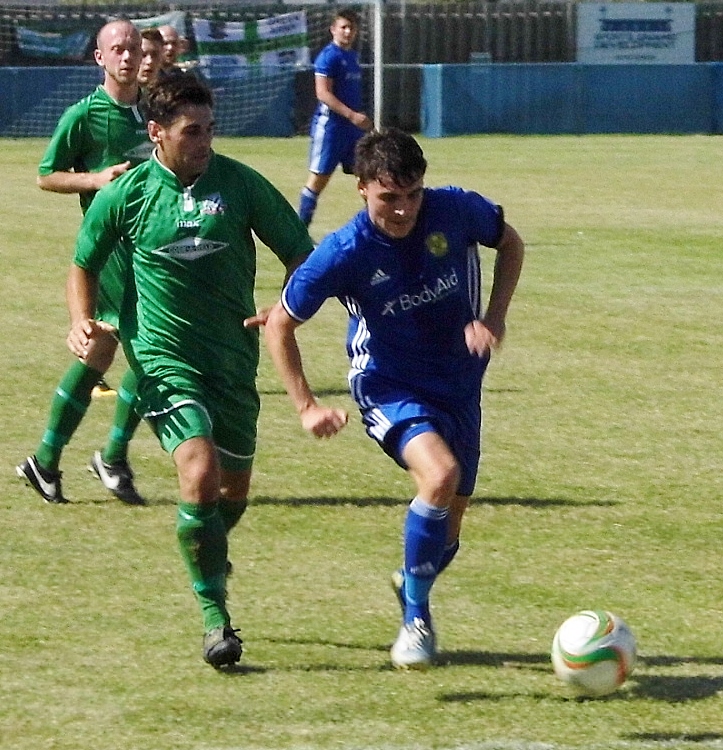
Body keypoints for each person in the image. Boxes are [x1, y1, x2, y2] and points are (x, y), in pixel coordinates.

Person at [67, 73, 312, 668]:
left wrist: (283, 308)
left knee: (231, 497)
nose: (204, 141)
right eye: (191, 131)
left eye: (209, 129)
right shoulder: (125, 194)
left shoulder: (241, 184)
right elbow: (84, 261)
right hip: (161, 359)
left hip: (232, 361)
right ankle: (215, 619)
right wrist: (81, 319)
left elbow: (303, 255)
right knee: (198, 472)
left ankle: (208, 548)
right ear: (157, 132)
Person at [264, 129, 524, 669]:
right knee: (439, 475)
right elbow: (280, 325)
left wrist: (494, 317)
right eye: (388, 198)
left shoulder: (456, 210)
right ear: (361, 189)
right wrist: (306, 406)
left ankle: (411, 579)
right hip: (389, 384)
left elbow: (512, 243)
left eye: (412, 194)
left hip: (460, 383)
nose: (403, 210)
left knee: (447, 535)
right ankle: (415, 622)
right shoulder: (344, 251)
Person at [18, 19, 153, 506]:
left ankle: (48, 460)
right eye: (117, 49)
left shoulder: (155, 109)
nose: (127, 56)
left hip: (152, 248)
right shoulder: (84, 115)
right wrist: (96, 180)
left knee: (101, 351)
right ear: (100, 58)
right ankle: (111, 456)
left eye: (133, 48)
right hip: (114, 252)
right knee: (144, 346)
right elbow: (46, 175)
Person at [298, 8, 373, 227]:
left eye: (352, 28)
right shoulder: (328, 57)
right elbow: (323, 93)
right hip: (331, 128)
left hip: (353, 130)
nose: (348, 32)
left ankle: (377, 226)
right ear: (333, 30)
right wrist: (352, 115)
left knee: (367, 176)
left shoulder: (352, 56)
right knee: (317, 182)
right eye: (343, 27)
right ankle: (298, 235)